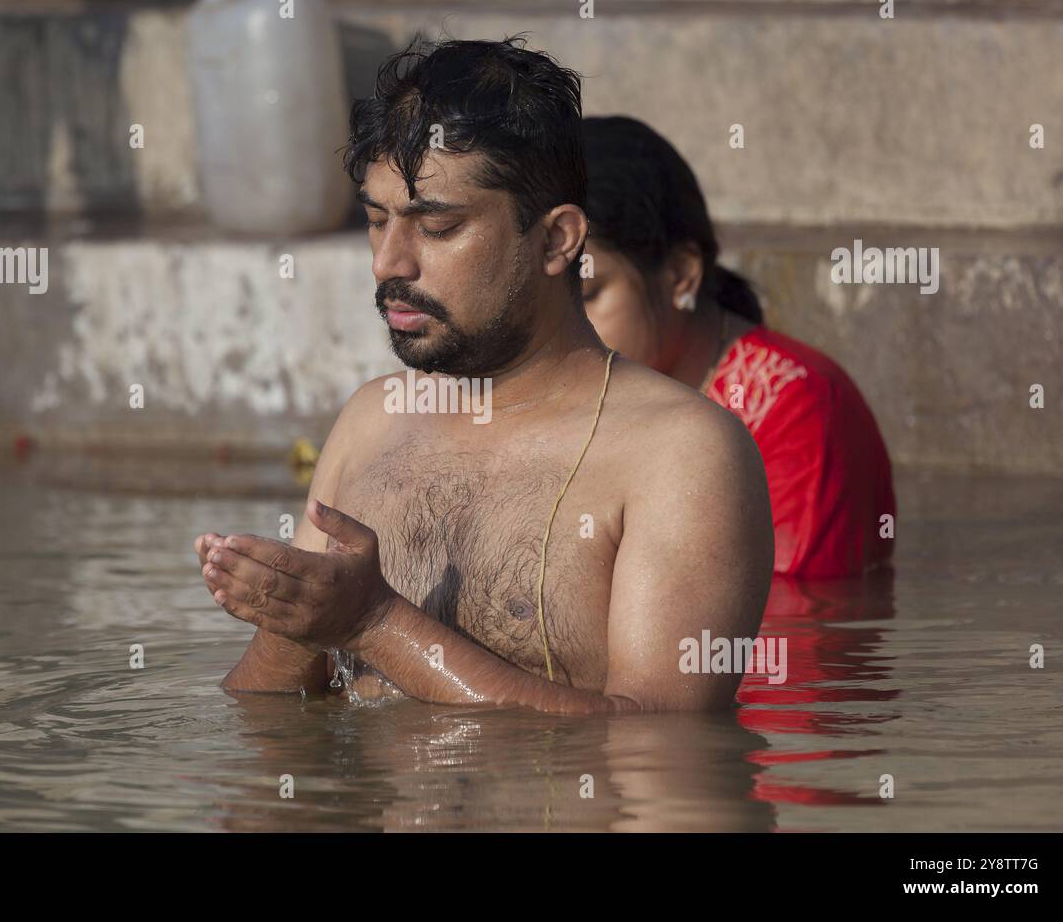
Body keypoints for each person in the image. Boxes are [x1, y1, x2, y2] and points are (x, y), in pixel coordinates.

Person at [195, 39, 773, 714]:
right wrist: (296, 619)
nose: (389, 263)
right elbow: (263, 717)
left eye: (436, 227)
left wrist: (374, 624)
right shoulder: (373, 421)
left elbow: (660, 741)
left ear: (557, 239)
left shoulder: (682, 454)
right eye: (376, 221)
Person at [580, 116, 896, 579]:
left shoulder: (795, 409)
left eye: (587, 294)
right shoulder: (581, 397)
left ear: (681, 274)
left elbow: (791, 637)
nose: (563, 325)